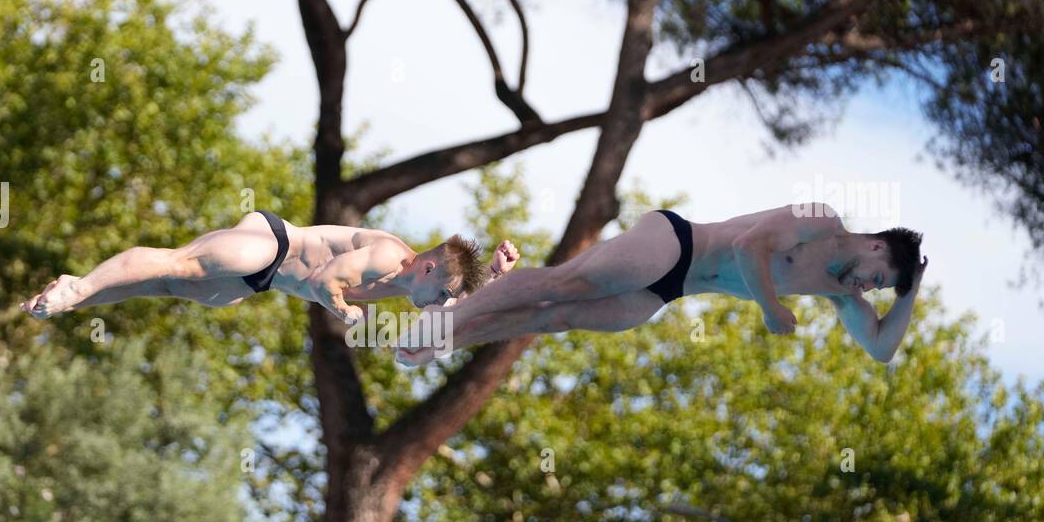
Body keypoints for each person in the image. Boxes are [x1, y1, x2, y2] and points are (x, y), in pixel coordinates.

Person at [395, 203, 926, 365]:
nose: (867, 287)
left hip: (668, 291)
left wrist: (911, 288)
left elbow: (880, 348)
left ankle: (445, 340)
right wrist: (770, 307)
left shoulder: (839, 292)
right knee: (570, 284)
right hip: (675, 244)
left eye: (878, 289)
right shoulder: (823, 221)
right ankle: (450, 317)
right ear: (876, 246)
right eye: (878, 279)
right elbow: (749, 248)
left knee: (555, 317)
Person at [21, 209, 520, 323]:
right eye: (444, 293)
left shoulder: (416, 287)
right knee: (182, 265)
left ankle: (70, 295)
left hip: (264, 283)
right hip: (271, 245)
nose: (441, 305)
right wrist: (346, 312)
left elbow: (461, 307)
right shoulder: (389, 256)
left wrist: (496, 277)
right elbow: (327, 282)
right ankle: (82, 284)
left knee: (163, 286)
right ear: (429, 269)